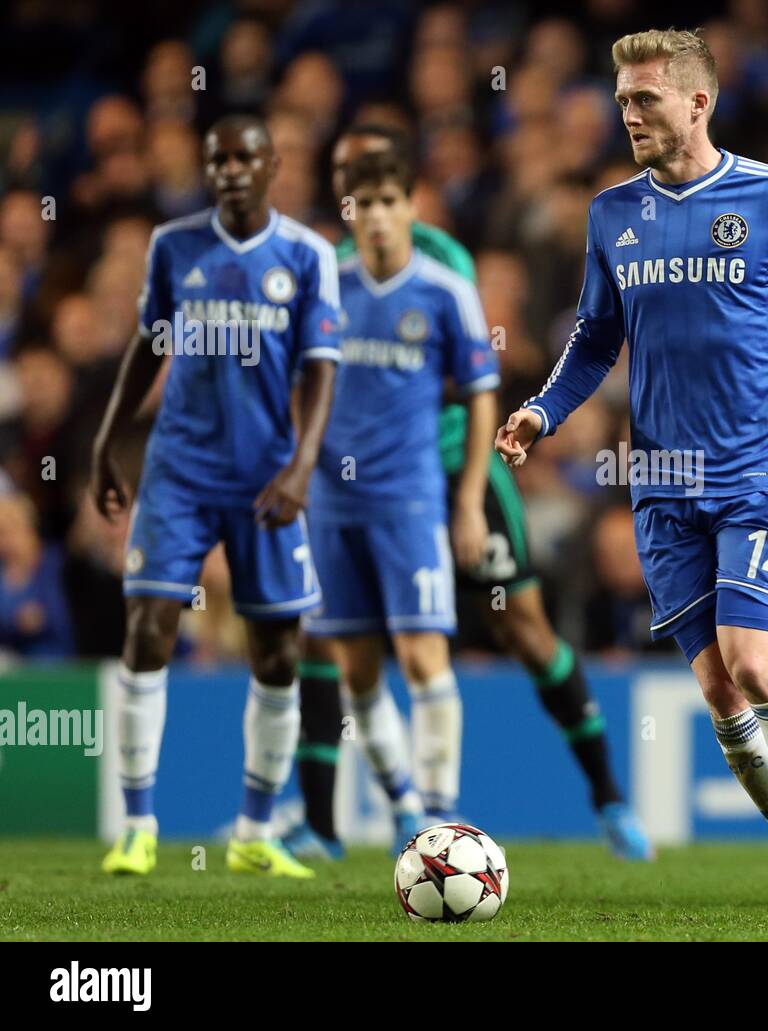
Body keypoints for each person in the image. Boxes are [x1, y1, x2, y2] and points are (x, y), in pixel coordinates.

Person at [496, 29, 768, 925]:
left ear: (699, 102)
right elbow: (595, 336)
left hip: (754, 473)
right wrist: (543, 409)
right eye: (622, 100)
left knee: (758, 667)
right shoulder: (613, 212)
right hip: (661, 486)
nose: (629, 113)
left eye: (646, 97)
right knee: (720, 692)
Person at [284, 124, 652, 863]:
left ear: (406, 197)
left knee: (522, 625)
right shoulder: (329, 274)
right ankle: (336, 820)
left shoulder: (441, 264)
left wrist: (456, 474)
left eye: (382, 188)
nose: (368, 204)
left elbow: (465, 374)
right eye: (348, 181)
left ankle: (608, 796)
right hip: (358, 488)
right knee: (332, 640)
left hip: (454, 473)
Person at [91, 115, 340, 878]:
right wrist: (107, 439)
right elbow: (147, 342)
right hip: (181, 470)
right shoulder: (174, 245)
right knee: (149, 628)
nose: (230, 169)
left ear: (272, 166)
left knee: (277, 650)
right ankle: (136, 825)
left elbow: (323, 366)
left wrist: (302, 466)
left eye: (245, 157)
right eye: (218, 158)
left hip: (265, 475)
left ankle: (253, 831)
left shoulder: (308, 253)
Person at [300, 146, 498, 853]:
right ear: (349, 213)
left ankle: (440, 813)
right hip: (330, 502)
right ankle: (406, 805)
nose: (377, 217)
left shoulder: (446, 291)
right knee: (355, 668)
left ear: (412, 208)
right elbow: (300, 386)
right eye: (363, 204)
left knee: (422, 656)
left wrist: (469, 499)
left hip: (411, 500)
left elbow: (481, 397)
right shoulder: (325, 286)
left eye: (390, 202)